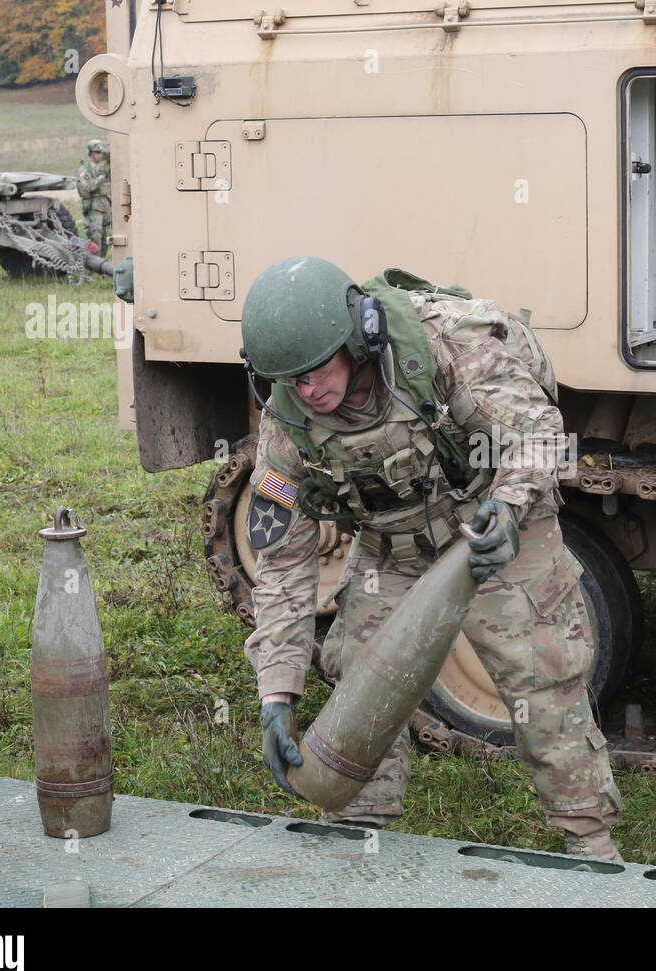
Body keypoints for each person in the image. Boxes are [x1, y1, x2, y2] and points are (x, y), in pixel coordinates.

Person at [239, 257, 623, 860]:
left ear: (357, 337)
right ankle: (361, 833)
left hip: (492, 519)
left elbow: (538, 432)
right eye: (291, 380)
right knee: (360, 672)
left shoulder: (446, 346)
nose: (309, 392)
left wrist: (509, 502)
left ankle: (590, 845)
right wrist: (276, 695)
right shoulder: (287, 423)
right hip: (389, 545)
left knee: (540, 674)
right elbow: (283, 567)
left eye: (317, 371)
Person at [76, 139, 111, 255]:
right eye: (97, 152)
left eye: (102, 152)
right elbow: (89, 187)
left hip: (105, 204)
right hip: (93, 206)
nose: (100, 155)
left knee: (106, 237)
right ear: (91, 153)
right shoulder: (84, 169)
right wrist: (102, 177)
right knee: (95, 235)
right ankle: (94, 266)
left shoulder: (104, 167)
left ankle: (103, 266)